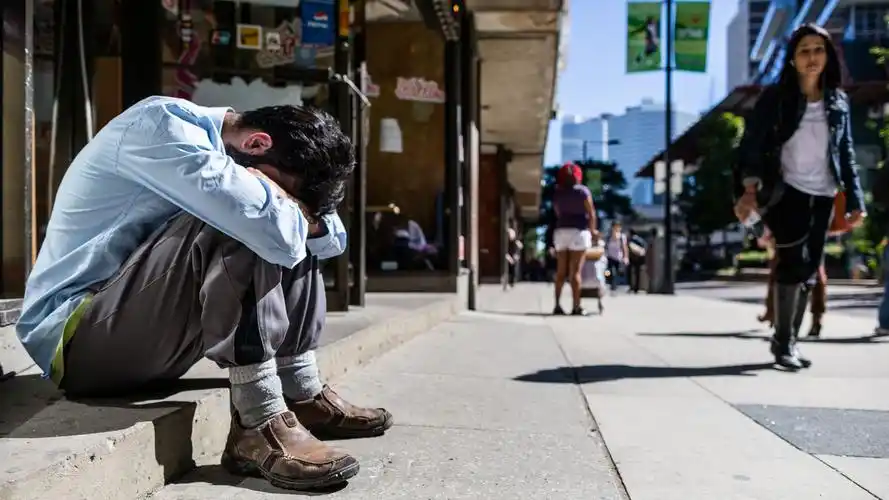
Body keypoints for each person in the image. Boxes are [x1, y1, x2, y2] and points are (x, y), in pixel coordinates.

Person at [16, 97, 392, 490]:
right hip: (79, 342)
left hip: (144, 338)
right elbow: (264, 221)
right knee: (251, 219)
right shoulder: (161, 128)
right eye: (283, 184)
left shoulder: (230, 151)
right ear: (256, 144)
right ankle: (257, 422)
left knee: (285, 225)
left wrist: (295, 209)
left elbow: (330, 238)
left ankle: (299, 390)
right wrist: (284, 207)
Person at [735, 23, 865, 370]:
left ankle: (790, 340)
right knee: (792, 263)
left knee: (810, 267)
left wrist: (855, 200)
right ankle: (783, 344)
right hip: (785, 190)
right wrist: (749, 190)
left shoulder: (838, 101)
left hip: (824, 193)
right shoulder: (775, 99)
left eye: (818, 49)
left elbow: (846, 152)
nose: (812, 57)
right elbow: (752, 144)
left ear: (827, 56)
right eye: (804, 50)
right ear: (792, 59)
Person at [757, 226, 827, 337]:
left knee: (780, 267)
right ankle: (816, 318)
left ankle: (773, 312)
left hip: (790, 227)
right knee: (816, 268)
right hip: (812, 226)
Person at [552, 163, 597, 315]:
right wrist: (593, 230)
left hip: (561, 230)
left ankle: (557, 305)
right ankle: (576, 306)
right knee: (575, 272)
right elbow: (591, 213)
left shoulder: (558, 192)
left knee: (560, 271)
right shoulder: (583, 192)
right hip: (579, 231)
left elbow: (557, 211)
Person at [605, 222, 630, 293]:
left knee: (616, 272)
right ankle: (612, 284)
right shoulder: (609, 236)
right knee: (610, 271)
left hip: (618, 257)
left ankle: (614, 285)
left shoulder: (622, 237)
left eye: (618, 226)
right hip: (610, 257)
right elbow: (606, 246)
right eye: (615, 226)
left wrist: (626, 257)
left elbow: (624, 247)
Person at [626, 229, 648, 294]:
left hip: (632, 258)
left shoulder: (631, 240)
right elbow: (645, 247)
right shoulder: (641, 240)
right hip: (639, 259)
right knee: (637, 273)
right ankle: (636, 288)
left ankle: (631, 286)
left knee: (630, 273)